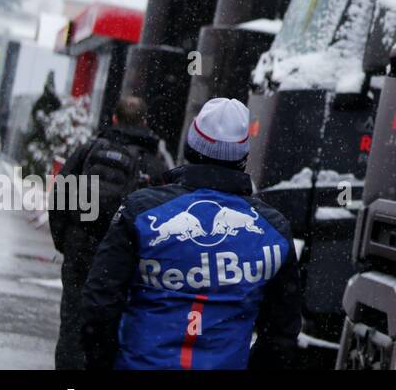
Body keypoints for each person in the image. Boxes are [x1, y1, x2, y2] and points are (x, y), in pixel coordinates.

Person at [79, 97, 301, 370]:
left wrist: (102, 364)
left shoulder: (141, 211)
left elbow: (99, 305)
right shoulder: (273, 230)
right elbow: (282, 334)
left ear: (190, 147)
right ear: (243, 158)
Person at [48, 94, 168, 370]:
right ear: (144, 122)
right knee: (115, 325)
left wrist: (64, 240)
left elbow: (60, 196)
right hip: (122, 257)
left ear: (114, 118)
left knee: (72, 324)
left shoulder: (90, 149)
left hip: (80, 248)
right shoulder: (153, 163)